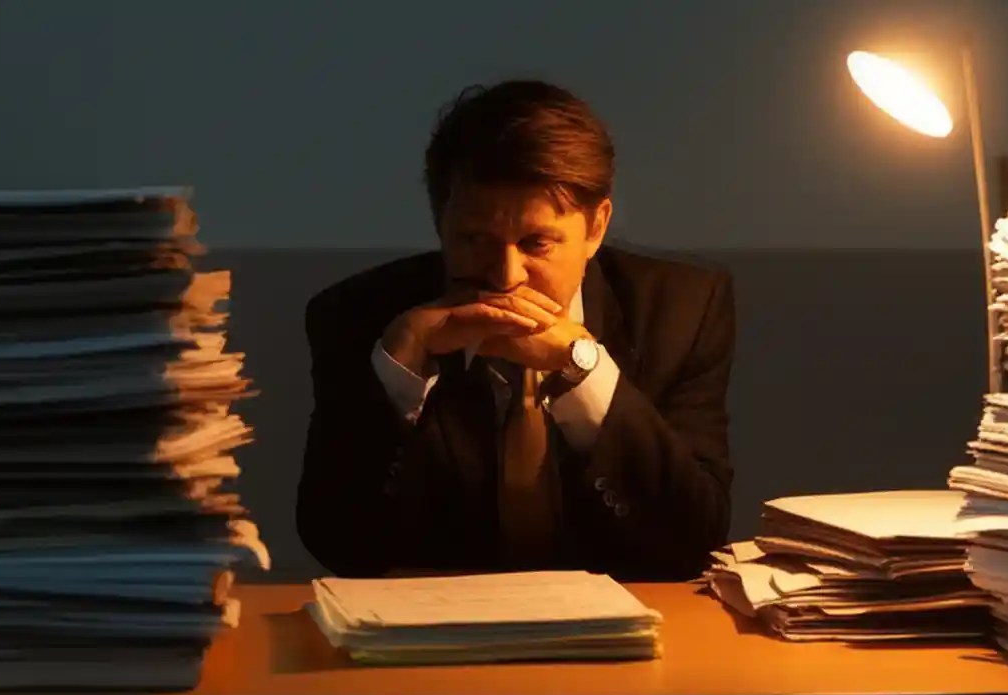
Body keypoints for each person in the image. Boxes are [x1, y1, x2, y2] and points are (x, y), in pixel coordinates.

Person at [296, 79, 735, 582]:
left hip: (628, 637)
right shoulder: (357, 314)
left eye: (537, 243)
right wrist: (398, 375)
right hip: (434, 641)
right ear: (440, 222)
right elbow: (335, 541)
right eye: (475, 240)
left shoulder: (683, 309)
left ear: (596, 228)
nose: (505, 276)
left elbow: (695, 537)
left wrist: (584, 372)